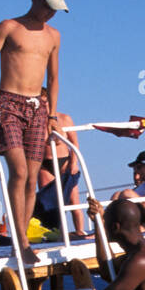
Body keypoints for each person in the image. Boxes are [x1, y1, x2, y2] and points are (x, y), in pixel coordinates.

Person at [0, 0, 68, 264]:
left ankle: (21, 235)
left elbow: (54, 78)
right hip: (8, 104)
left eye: (55, 9)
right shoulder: (9, 27)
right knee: (19, 171)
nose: (51, 13)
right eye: (48, 5)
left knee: (32, 178)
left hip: (39, 107)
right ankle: (21, 240)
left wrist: (51, 114)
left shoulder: (54, 36)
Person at [35, 91, 86, 237]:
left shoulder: (64, 118)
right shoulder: (35, 122)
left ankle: (80, 231)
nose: (44, 105)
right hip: (45, 164)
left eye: (46, 102)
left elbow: (74, 143)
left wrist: (73, 162)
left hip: (65, 161)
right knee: (48, 203)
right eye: (41, 103)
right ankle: (56, 233)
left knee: (74, 202)